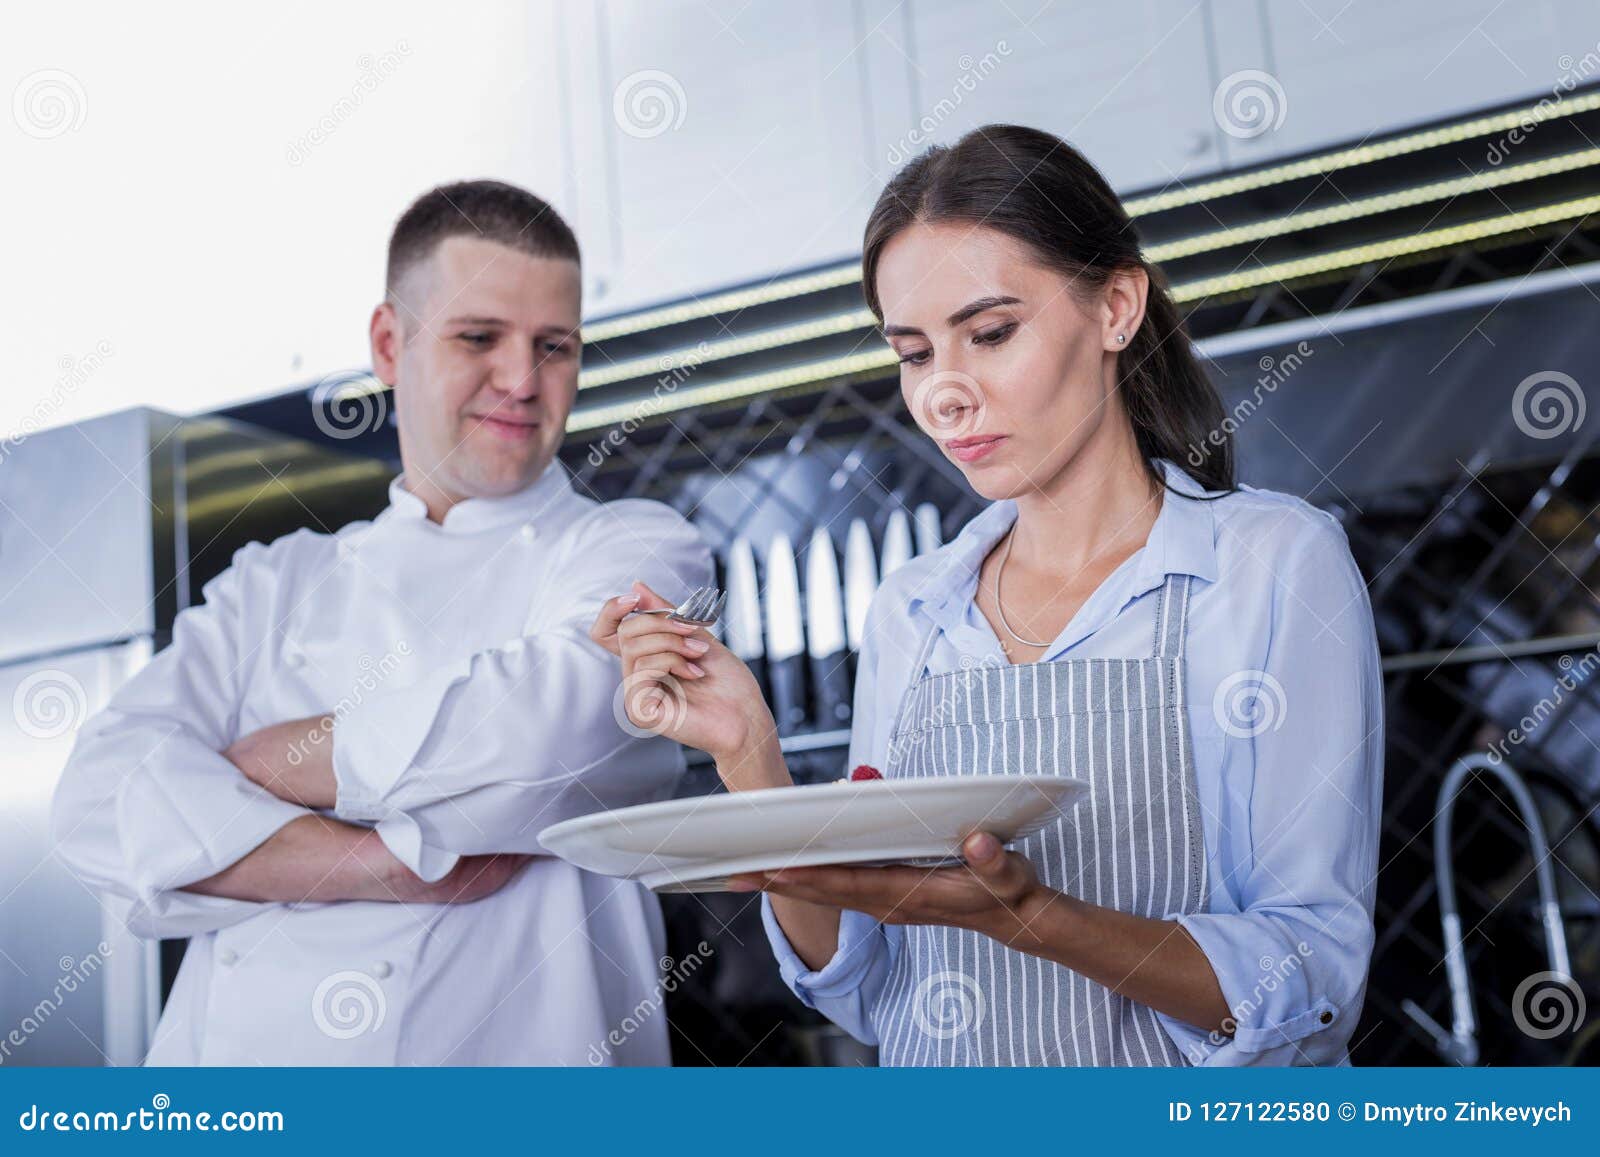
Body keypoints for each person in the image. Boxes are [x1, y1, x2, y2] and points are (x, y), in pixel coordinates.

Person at [592, 125, 1383, 1066]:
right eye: (916, 353)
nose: (944, 395)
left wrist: (1039, 917)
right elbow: (871, 993)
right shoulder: (913, 610)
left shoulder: (1269, 563)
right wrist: (749, 753)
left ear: (1117, 306)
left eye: (992, 333)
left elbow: (1315, 978)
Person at [52, 180, 712, 1065]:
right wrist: (389, 868)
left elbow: (547, 735)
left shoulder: (635, 547)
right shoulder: (273, 581)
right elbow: (98, 801)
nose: (521, 380)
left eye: (553, 346)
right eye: (479, 337)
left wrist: (259, 767)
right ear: (389, 345)